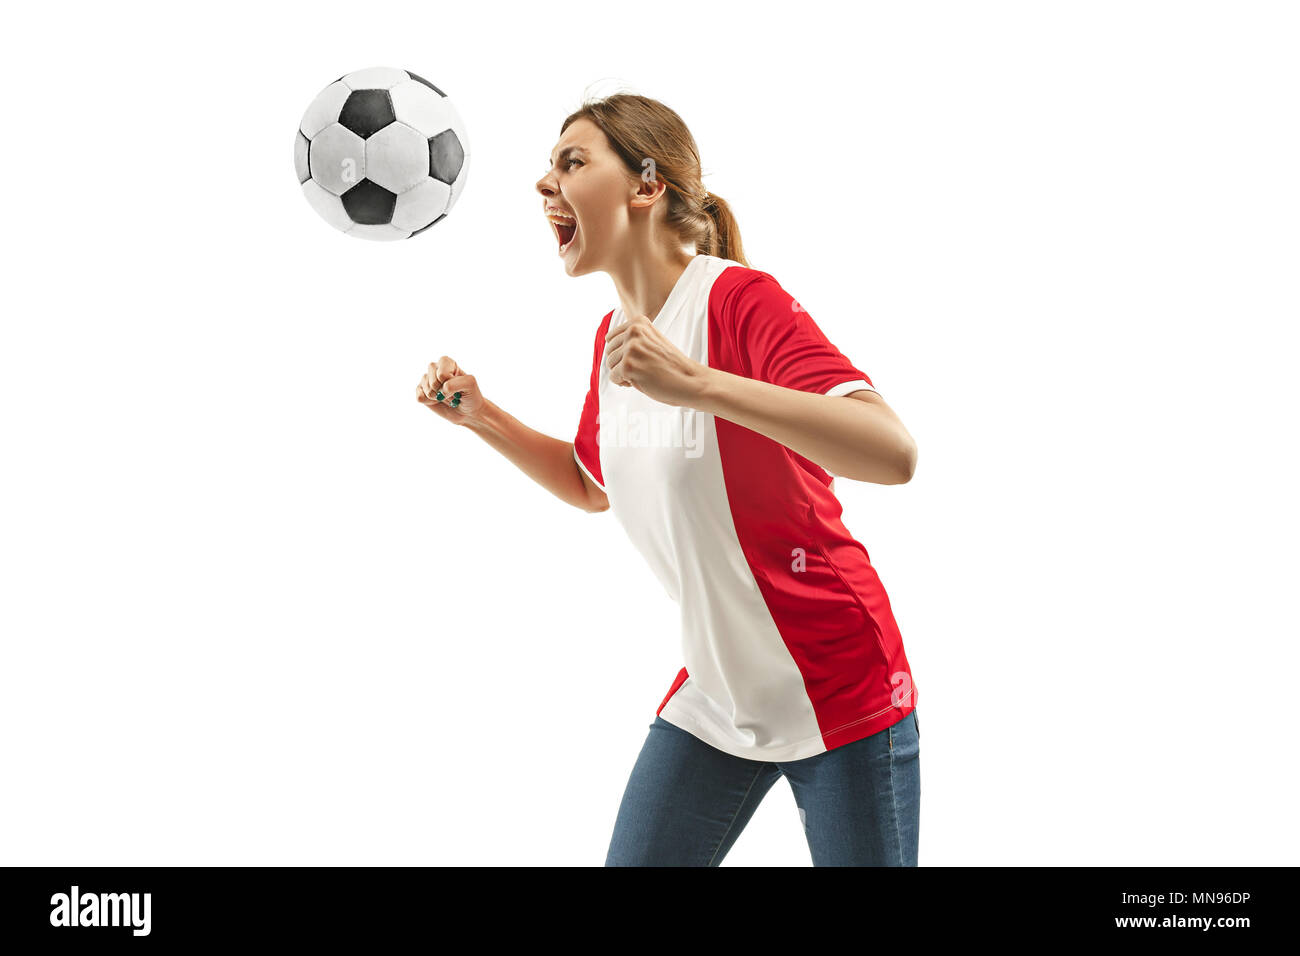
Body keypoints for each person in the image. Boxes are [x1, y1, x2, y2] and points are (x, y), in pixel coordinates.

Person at [416, 92, 921, 866]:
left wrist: (700, 385)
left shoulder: (740, 300)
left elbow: (892, 453)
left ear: (646, 186)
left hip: (841, 687)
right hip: (717, 699)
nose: (543, 183)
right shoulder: (616, 338)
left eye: (572, 162)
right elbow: (591, 482)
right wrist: (483, 415)